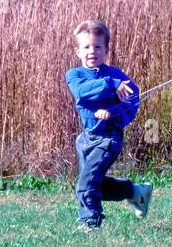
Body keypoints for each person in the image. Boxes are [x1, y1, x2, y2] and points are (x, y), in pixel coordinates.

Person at [65, 20, 153, 230]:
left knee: (87, 183)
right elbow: (82, 92)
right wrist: (111, 85)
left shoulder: (118, 76)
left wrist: (112, 113)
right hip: (86, 138)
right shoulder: (74, 75)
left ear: (106, 50)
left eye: (97, 47)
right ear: (78, 51)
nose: (92, 51)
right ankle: (136, 193)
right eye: (86, 47)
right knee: (96, 185)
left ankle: (89, 223)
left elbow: (132, 104)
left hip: (109, 138)